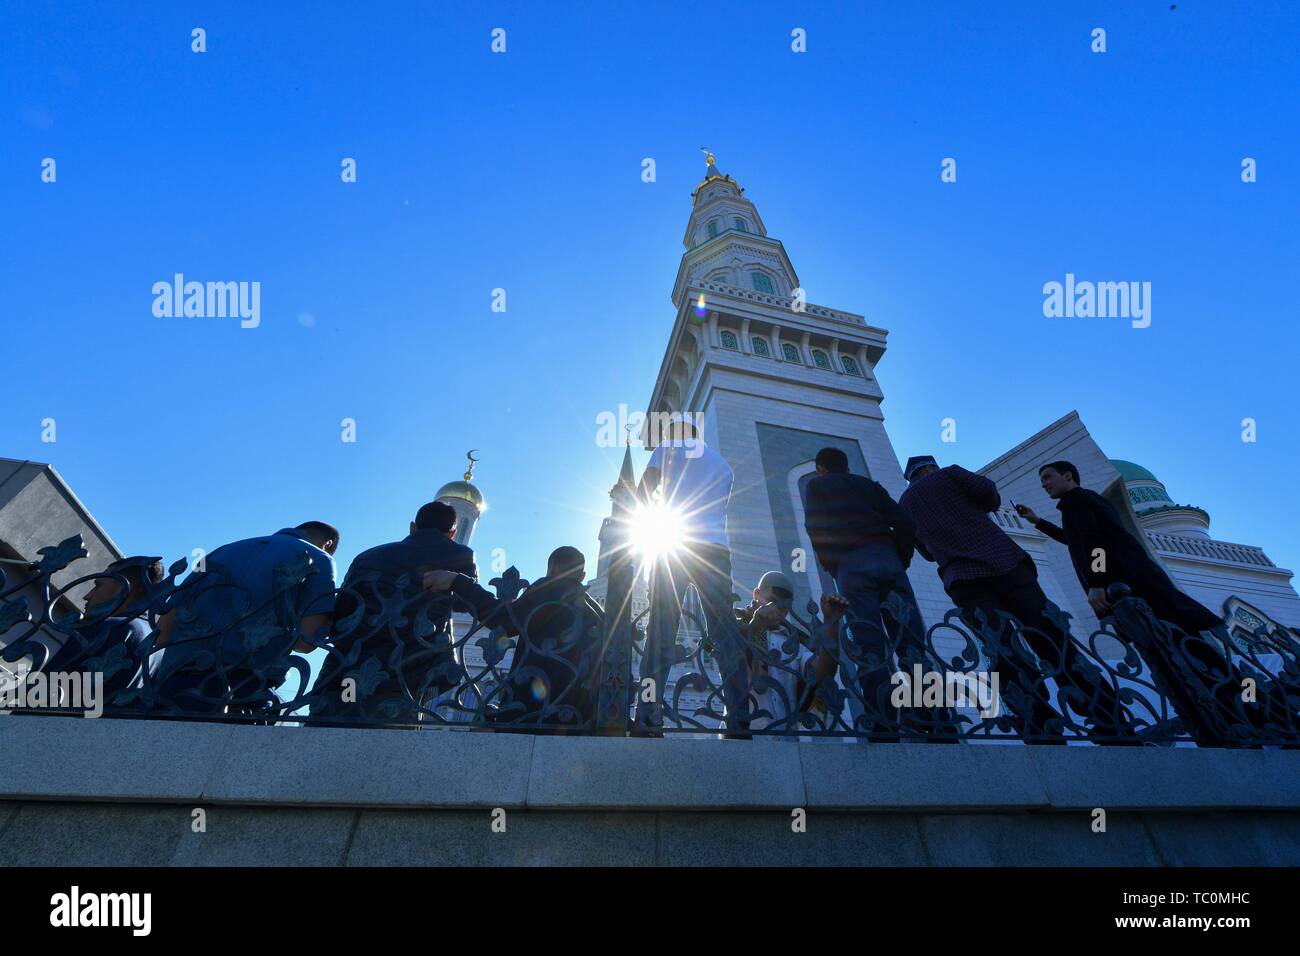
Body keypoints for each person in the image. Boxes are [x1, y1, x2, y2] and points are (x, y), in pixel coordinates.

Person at [899, 455, 1134, 742]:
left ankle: (1037, 723)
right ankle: (1104, 716)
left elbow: (925, 551)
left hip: (963, 581)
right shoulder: (949, 474)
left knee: (1001, 649)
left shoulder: (906, 504)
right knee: (1048, 637)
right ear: (931, 467)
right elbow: (990, 495)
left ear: (910, 477)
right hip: (1005, 565)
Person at [1016, 461, 1244, 745]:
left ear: (1068, 476)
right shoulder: (1083, 502)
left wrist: (1098, 584)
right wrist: (1037, 522)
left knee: (1175, 649)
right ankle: (1237, 710)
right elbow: (1077, 540)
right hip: (1138, 584)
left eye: (1048, 478)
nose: (1045, 485)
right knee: (1183, 646)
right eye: (1042, 482)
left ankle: (1233, 712)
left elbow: (1095, 544)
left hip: (1132, 588)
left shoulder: (1078, 501)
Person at [803, 446, 953, 740]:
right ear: (846, 467)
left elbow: (815, 528)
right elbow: (906, 522)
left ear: (820, 468)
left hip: (852, 566)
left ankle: (883, 723)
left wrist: (834, 565)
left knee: (869, 644)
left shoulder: (817, 486)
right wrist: (900, 558)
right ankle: (935, 721)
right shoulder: (869, 485)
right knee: (912, 643)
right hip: (888, 560)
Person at [309, 502, 474, 724]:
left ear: (412, 527)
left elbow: (343, 609)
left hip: (352, 662)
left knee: (331, 722)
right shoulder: (461, 555)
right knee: (393, 731)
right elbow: (465, 604)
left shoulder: (368, 556)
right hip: (411, 667)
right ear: (452, 533)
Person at [636, 418, 751, 736]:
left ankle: (648, 714)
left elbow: (644, 491)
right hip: (715, 550)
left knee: (661, 629)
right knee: (725, 631)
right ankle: (739, 718)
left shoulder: (668, 449)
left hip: (677, 544)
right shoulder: (723, 465)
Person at [152, 523, 338, 718]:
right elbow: (308, 640)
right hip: (243, 690)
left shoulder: (222, 551)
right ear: (328, 543)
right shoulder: (318, 558)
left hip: (174, 682)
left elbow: (164, 625)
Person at [423, 546, 602, 731]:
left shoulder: (551, 589)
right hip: (578, 718)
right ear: (582, 576)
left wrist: (458, 582)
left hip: (533, 712)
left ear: (552, 567)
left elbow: (505, 620)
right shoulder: (597, 613)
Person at [8, 556, 165, 714]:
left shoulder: (109, 627)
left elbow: (45, 692)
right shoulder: (156, 646)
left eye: (98, 586)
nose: (87, 595)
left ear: (125, 587)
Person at [732, 570, 846, 735]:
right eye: (771, 601)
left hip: (787, 742)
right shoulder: (734, 628)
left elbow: (822, 673)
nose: (776, 610)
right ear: (757, 594)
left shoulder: (793, 642)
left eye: (783, 607)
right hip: (743, 739)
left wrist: (832, 622)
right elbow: (730, 655)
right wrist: (755, 626)